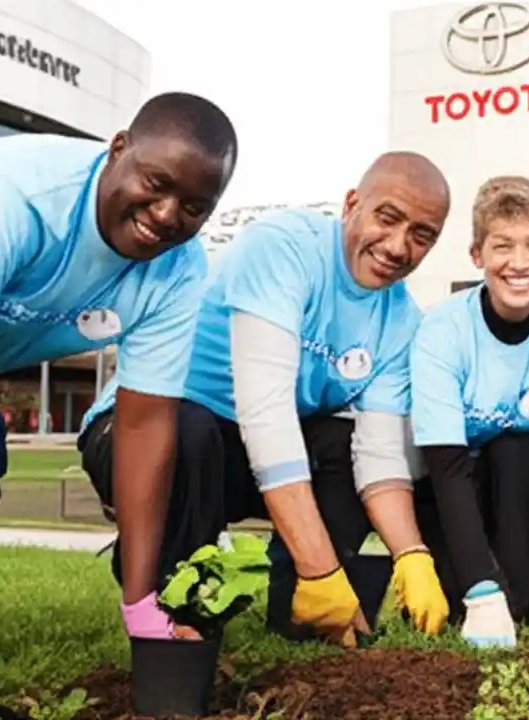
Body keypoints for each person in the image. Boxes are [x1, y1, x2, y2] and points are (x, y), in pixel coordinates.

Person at [0, 92, 238, 704]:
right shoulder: (13, 200)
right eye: (156, 182)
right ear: (118, 148)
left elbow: (146, 426)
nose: (168, 214)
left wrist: (140, 600)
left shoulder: (177, 271)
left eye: (195, 206)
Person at [78, 151, 453, 649]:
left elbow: (380, 455)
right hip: (143, 434)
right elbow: (266, 409)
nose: (398, 246)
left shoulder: (403, 322)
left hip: (243, 456)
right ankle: (178, 615)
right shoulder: (283, 248)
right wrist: (319, 564)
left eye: (422, 235)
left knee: (340, 441)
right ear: (351, 205)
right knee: (190, 431)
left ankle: (302, 616)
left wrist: (411, 554)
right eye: (387, 219)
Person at [411, 176, 529, 648]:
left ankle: (528, 591)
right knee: (496, 452)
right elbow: (445, 467)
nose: (520, 263)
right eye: (502, 247)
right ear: (477, 255)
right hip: (451, 488)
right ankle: (482, 591)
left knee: (516, 446)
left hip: (520, 485)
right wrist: (480, 590)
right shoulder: (441, 331)